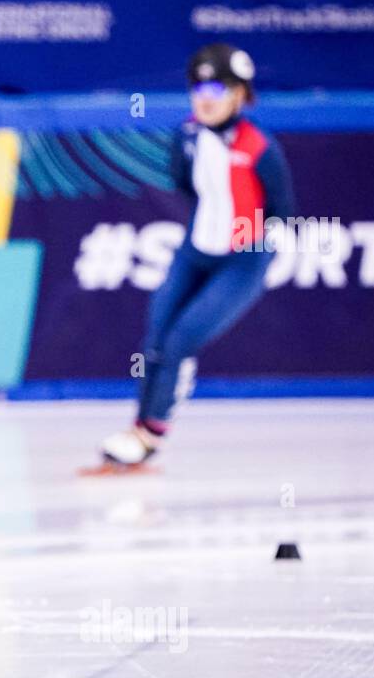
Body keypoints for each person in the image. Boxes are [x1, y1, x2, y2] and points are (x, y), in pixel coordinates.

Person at [98, 43, 294, 469]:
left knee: (179, 341)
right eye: (199, 88)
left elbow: (282, 209)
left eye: (218, 89)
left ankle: (151, 435)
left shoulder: (261, 148)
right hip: (195, 249)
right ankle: (137, 428)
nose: (206, 98)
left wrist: (255, 249)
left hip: (242, 260)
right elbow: (187, 187)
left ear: (241, 95)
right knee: (154, 338)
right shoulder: (186, 137)